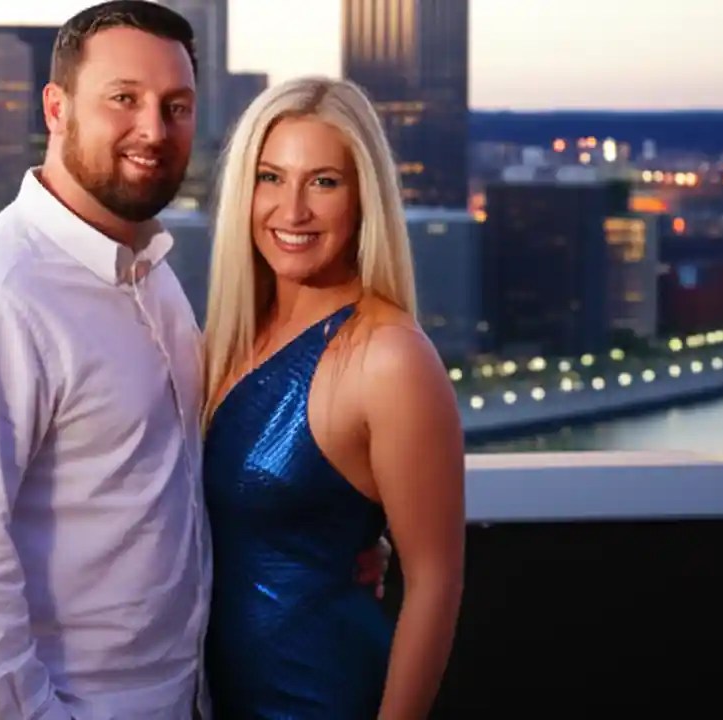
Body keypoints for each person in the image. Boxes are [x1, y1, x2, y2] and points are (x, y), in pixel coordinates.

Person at [0, 3, 209, 719]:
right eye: (123, 98)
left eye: (176, 106)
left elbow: (169, 476)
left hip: (176, 695)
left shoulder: (153, 274)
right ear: (57, 108)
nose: (154, 130)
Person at [200, 76, 466, 718]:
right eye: (270, 177)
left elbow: (435, 583)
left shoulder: (390, 357)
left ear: (363, 197)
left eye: (323, 182)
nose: (291, 211)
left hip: (323, 696)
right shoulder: (225, 339)